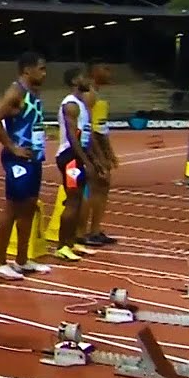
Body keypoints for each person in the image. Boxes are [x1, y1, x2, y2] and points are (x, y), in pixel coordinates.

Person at [0, 53, 52, 279]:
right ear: (27, 70)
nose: (44, 74)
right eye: (41, 69)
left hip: (34, 157)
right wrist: (11, 146)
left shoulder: (34, 92)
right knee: (13, 207)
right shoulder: (16, 92)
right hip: (19, 160)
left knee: (30, 206)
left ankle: (22, 259)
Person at [54, 67, 103, 263]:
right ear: (75, 80)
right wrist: (86, 160)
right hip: (70, 158)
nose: (87, 80)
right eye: (83, 77)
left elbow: (87, 137)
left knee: (79, 201)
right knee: (73, 201)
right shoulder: (71, 105)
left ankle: (72, 241)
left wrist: (95, 159)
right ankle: (62, 246)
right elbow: (73, 138)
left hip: (78, 156)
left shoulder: (82, 105)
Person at [77, 59, 117, 249]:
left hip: (95, 147)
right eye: (106, 68)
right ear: (94, 71)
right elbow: (90, 130)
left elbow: (101, 128)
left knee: (102, 185)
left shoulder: (96, 95)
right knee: (92, 188)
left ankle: (94, 230)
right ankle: (83, 232)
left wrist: (109, 153)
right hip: (88, 149)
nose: (110, 73)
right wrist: (99, 157)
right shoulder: (89, 95)